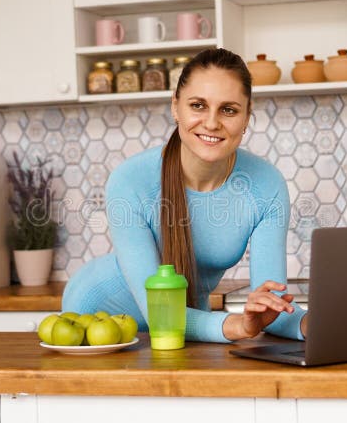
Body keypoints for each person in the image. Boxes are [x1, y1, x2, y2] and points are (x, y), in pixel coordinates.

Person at [62, 48, 307, 342]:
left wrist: (323, 325)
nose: (212, 122)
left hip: (193, 325)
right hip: (101, 318)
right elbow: (159, 315)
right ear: (175, 107)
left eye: (228, 109)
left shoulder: (266, 185)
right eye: (198, 105)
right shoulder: (130, 181)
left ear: (246, 117)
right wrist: (239, 326)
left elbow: (273, 310)